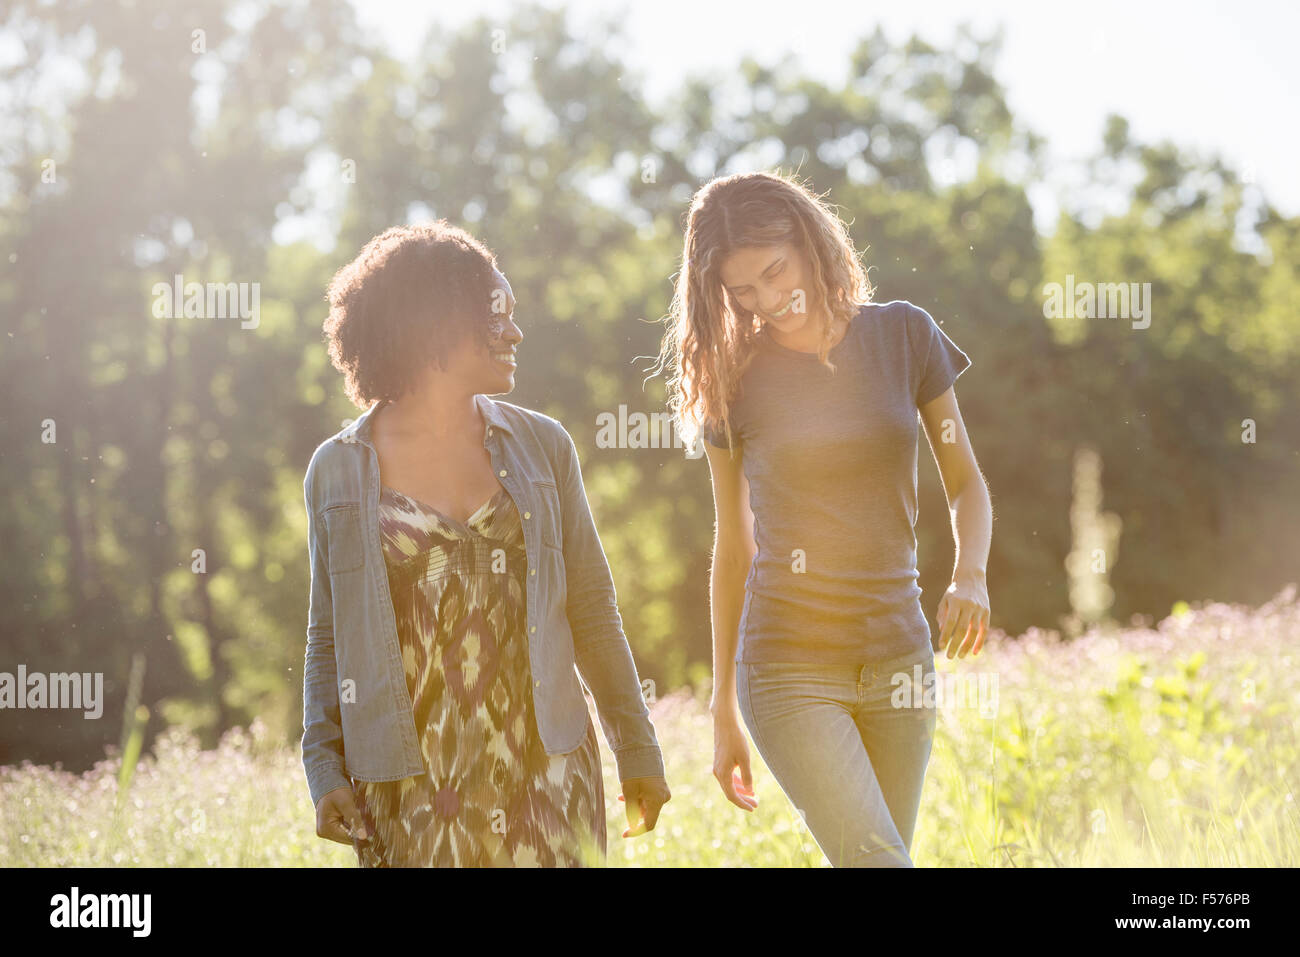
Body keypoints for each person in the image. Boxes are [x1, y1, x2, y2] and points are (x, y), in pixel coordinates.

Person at [302, 222, 669, 866]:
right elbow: (326, 639)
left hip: (547, 775)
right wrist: (324, 769)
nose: (516, 333)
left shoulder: (545, 447)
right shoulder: (336, 469)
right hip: (407, 788)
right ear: (436, 324)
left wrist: (636, 750)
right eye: (498, 315)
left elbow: (592, 608)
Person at [658, 170, 992, 867]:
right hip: (788, 666)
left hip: (902, 660)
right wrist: (722, 707)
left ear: (809, 242)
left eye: (775, 271)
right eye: (742, 290)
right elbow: (734, 547)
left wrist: (971, 575)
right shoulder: (735, 380)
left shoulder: (906, 336)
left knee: (879, 856)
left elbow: (964, 481)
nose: (768, 299)